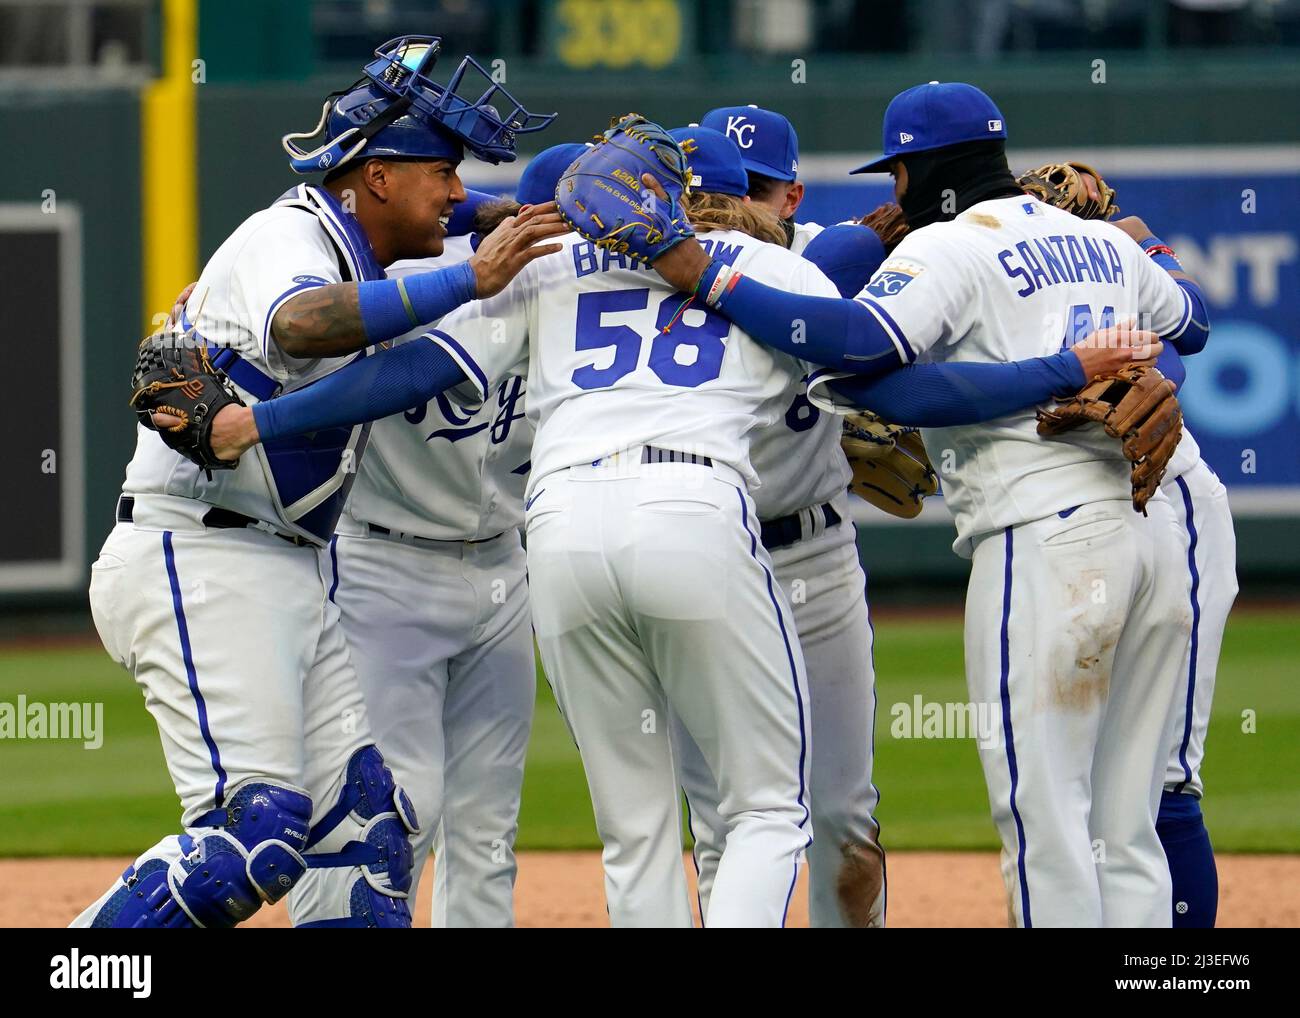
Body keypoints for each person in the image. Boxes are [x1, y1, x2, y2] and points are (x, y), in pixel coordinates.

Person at [647, 82, 1210, 927]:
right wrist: (1136, 245)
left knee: (1044, 819)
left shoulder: (948, 245)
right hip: (1153, 527)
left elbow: (859, 347)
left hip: (1046, 532)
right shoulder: (1099, 242)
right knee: (1123, 827)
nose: (894, 194)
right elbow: (1192, 322)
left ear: (922, 172)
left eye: (899, 175)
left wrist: (717, 283)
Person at [76, 35, 561, 928]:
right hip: (200, 546)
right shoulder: (288, 234)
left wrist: (518, 215)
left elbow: (446, 220)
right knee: (247, 840)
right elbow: (301, 325)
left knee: (369, 832)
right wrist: (471, 275)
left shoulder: (349, 235)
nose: (456, 190)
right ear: (376, 176)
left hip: (285, 564)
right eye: (442, 170)